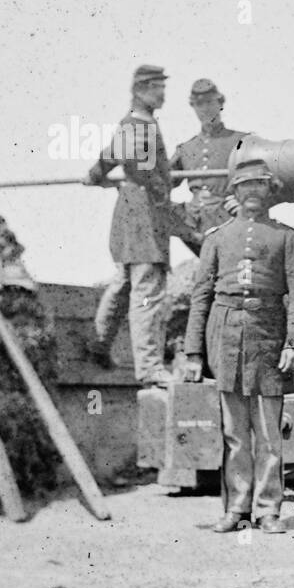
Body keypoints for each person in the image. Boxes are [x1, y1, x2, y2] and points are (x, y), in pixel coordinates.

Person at [183, 156, 294, 534]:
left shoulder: (286, 237)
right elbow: (201, 296)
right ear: (234, 192)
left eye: (260, 186)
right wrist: (193, 353)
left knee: (269, 434)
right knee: (235, 434)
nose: (252, 193)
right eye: (245, 186)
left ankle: (268, 510)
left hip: (268, 337)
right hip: (225, 337)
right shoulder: (218, 239)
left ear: (270, 193)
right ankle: (237, 509)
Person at [85, 63, 174, 385]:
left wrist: (97, 175)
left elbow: (111, 155)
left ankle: (100, 342)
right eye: (157, 87)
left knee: (124, 281)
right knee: (147, 290)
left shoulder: (136, 124)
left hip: (133, 210)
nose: (163, 93)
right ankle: (150, 368)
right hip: (145, 213)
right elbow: (134, 160)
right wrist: (160, 186)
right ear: (140, 90)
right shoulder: (138, 124)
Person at [169, 78, 249, 248]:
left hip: (227, 216)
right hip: (194, 221)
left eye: (209, 102)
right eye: (199, 104)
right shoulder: (186, 148)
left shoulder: (241, 141)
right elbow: (160, 182)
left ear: (220, 103)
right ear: (193, 107)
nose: (204, 109)